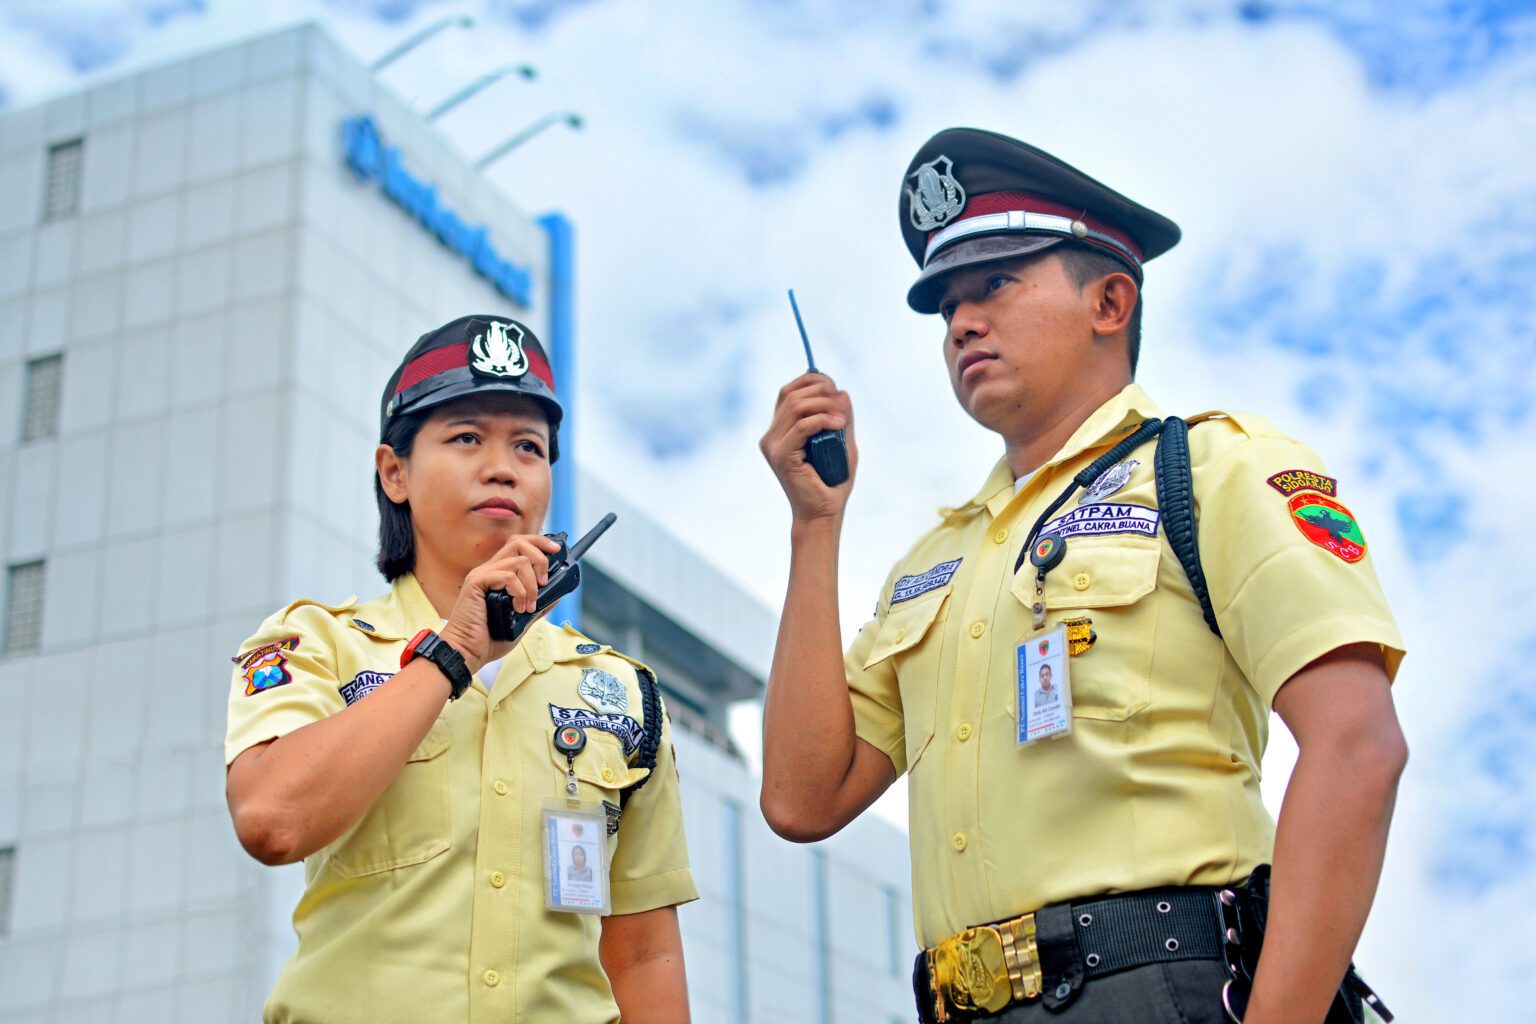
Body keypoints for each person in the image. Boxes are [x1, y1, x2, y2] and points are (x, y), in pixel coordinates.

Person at [758, 128, 1407, 1023]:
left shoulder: (1212, 470)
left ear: (1110, 302)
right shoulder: (935, 562)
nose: (961, 323)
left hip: (1160, 987)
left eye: (994, 284)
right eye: (946, 305)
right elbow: (802, 798)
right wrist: (814, 526)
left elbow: (1358, 746)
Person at [224, 315, 697, 1024]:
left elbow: (643, 955)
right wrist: (454, 655)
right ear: (395, 472)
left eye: (528, 447)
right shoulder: (317, 643)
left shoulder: (623, 697)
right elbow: (272, 819)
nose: (502, 465)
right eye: (467, 437)